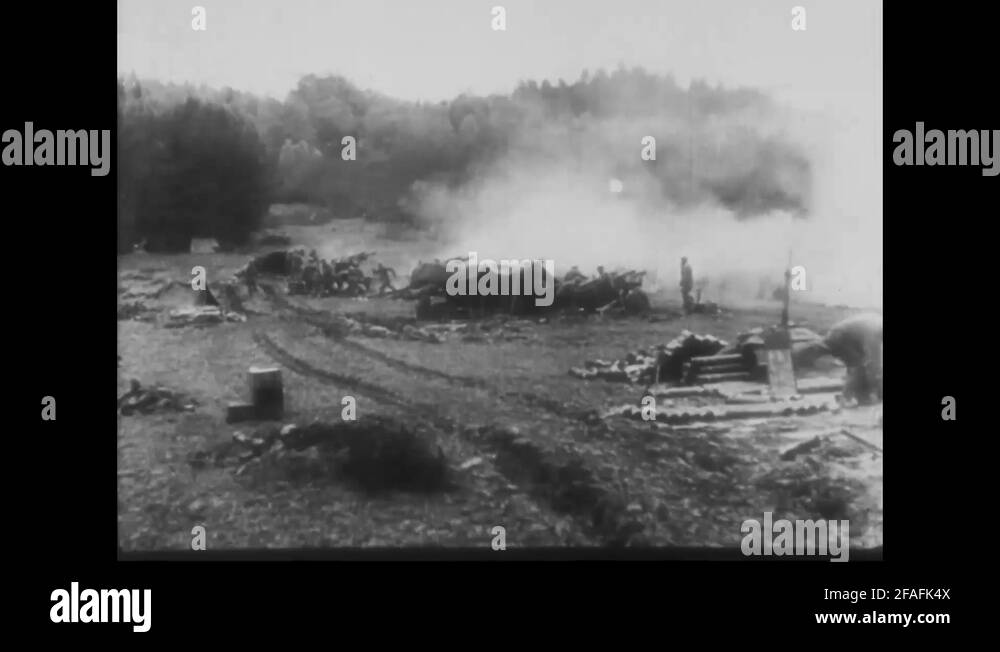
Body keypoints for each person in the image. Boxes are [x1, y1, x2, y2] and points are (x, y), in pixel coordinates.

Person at [806, 313, 883, 404]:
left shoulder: (877, 326)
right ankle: (846, 398)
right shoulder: (874, 331)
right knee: (857, 367)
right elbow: (875, 360)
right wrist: (878, 379)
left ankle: (861, 397)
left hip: (847, 336)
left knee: (860, 365)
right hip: (840, 336)